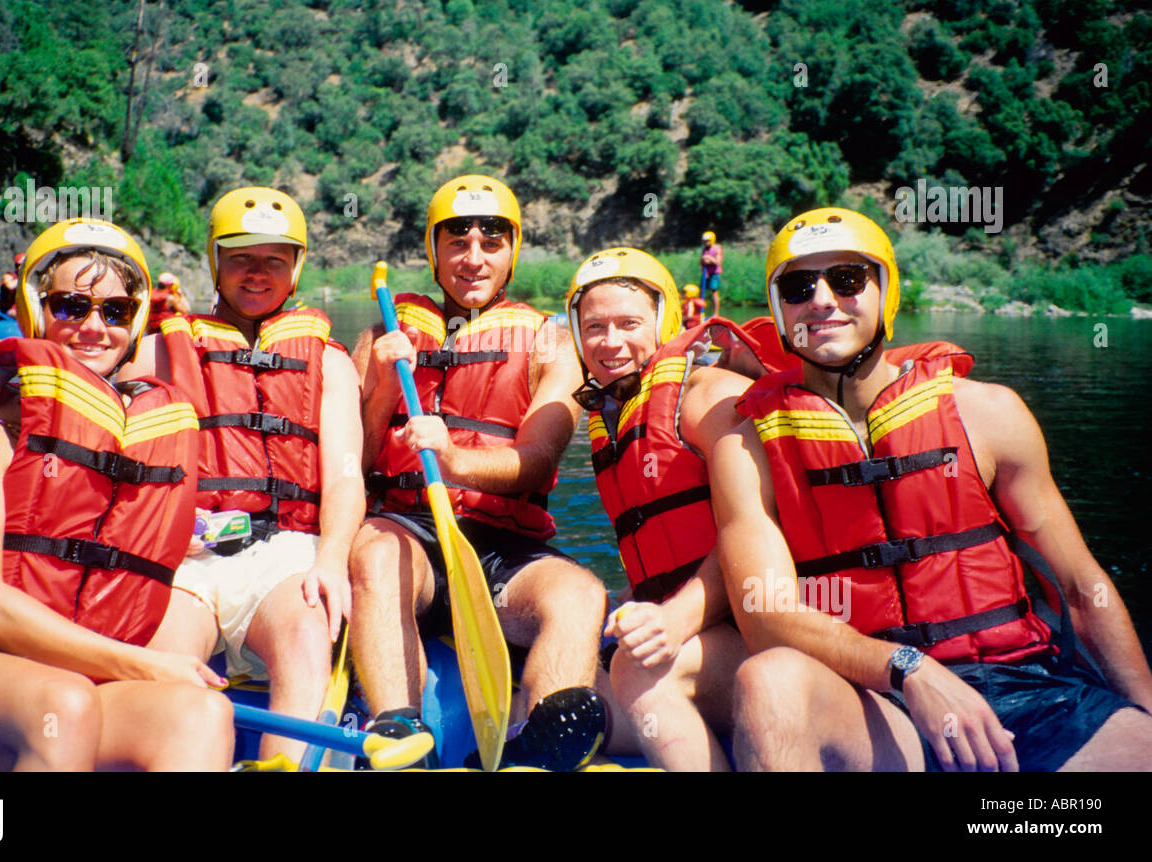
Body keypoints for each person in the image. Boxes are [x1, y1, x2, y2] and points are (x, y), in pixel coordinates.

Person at [708, 207, 1152, 771]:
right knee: (768, 678)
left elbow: (1079, 584)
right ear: (779, 310)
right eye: (798, 287)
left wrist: (1143, 709)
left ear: (885, 291)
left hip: (1026, 689)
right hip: (876, 702)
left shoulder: (987, 412)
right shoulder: (745, 451)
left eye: (846, 280)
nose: (821, 300)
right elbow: (764, 614)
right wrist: (906, 667)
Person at [0, 219, 233, 771]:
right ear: (37, 308)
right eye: (72, 306)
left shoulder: (136, 454)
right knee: (64, 702)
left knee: (201, 713)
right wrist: (144, 664)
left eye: (116, 311)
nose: (94, 327)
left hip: (71, 681)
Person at [349, 174, 608, 770]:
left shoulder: (551, 342)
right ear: (433, 251)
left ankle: (537, 750)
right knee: (376, 551)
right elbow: (353, 465)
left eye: (491, 243)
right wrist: (384, 390)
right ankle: (399, 733)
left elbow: (537, 462)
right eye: (456, 241)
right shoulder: (381, 336)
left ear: (512, 253)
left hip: (503, 547)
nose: (473, 257)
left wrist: (453, 458)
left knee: (579, 593)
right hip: (409, 534)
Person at [119, 186, 363, 765]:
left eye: (274, 260)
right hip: (187, 554)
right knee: (168, 663)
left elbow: (346, 477)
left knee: (305, 638)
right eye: (241, 258)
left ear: (296, 268)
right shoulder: (156, 353)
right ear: (216, 262)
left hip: (284, 553)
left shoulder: (329, 362)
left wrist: (330, 560)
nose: (257, 273)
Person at [565, 248, 766, 770]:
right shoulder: (613, 418)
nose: (611, 343)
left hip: (757, 633)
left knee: (640, 670)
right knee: (559, 701)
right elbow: (662, 554)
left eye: (629, 323)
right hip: (704, 632)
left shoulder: (709, 398)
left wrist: (674, 621)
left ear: (663, 322)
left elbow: (758, 536)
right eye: (594, 327)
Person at [0, 250, 26, 316]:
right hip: (7, 310)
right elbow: (9, 285)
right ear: (17, 266)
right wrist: (25, 279)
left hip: (22, 309)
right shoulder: (9, 276)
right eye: (21, 265)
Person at [700, 230, 723, 317]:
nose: (706, 243)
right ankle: (700, 312)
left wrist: (709, 258)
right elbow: (701, 262)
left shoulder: (717, 248)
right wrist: (703, 260)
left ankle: (716, 313)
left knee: (714, 291)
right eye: (705, 241)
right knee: (701, 291)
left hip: (714, 273)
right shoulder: (704, 249)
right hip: (706, 273)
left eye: (707, 241)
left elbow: (718, 262)